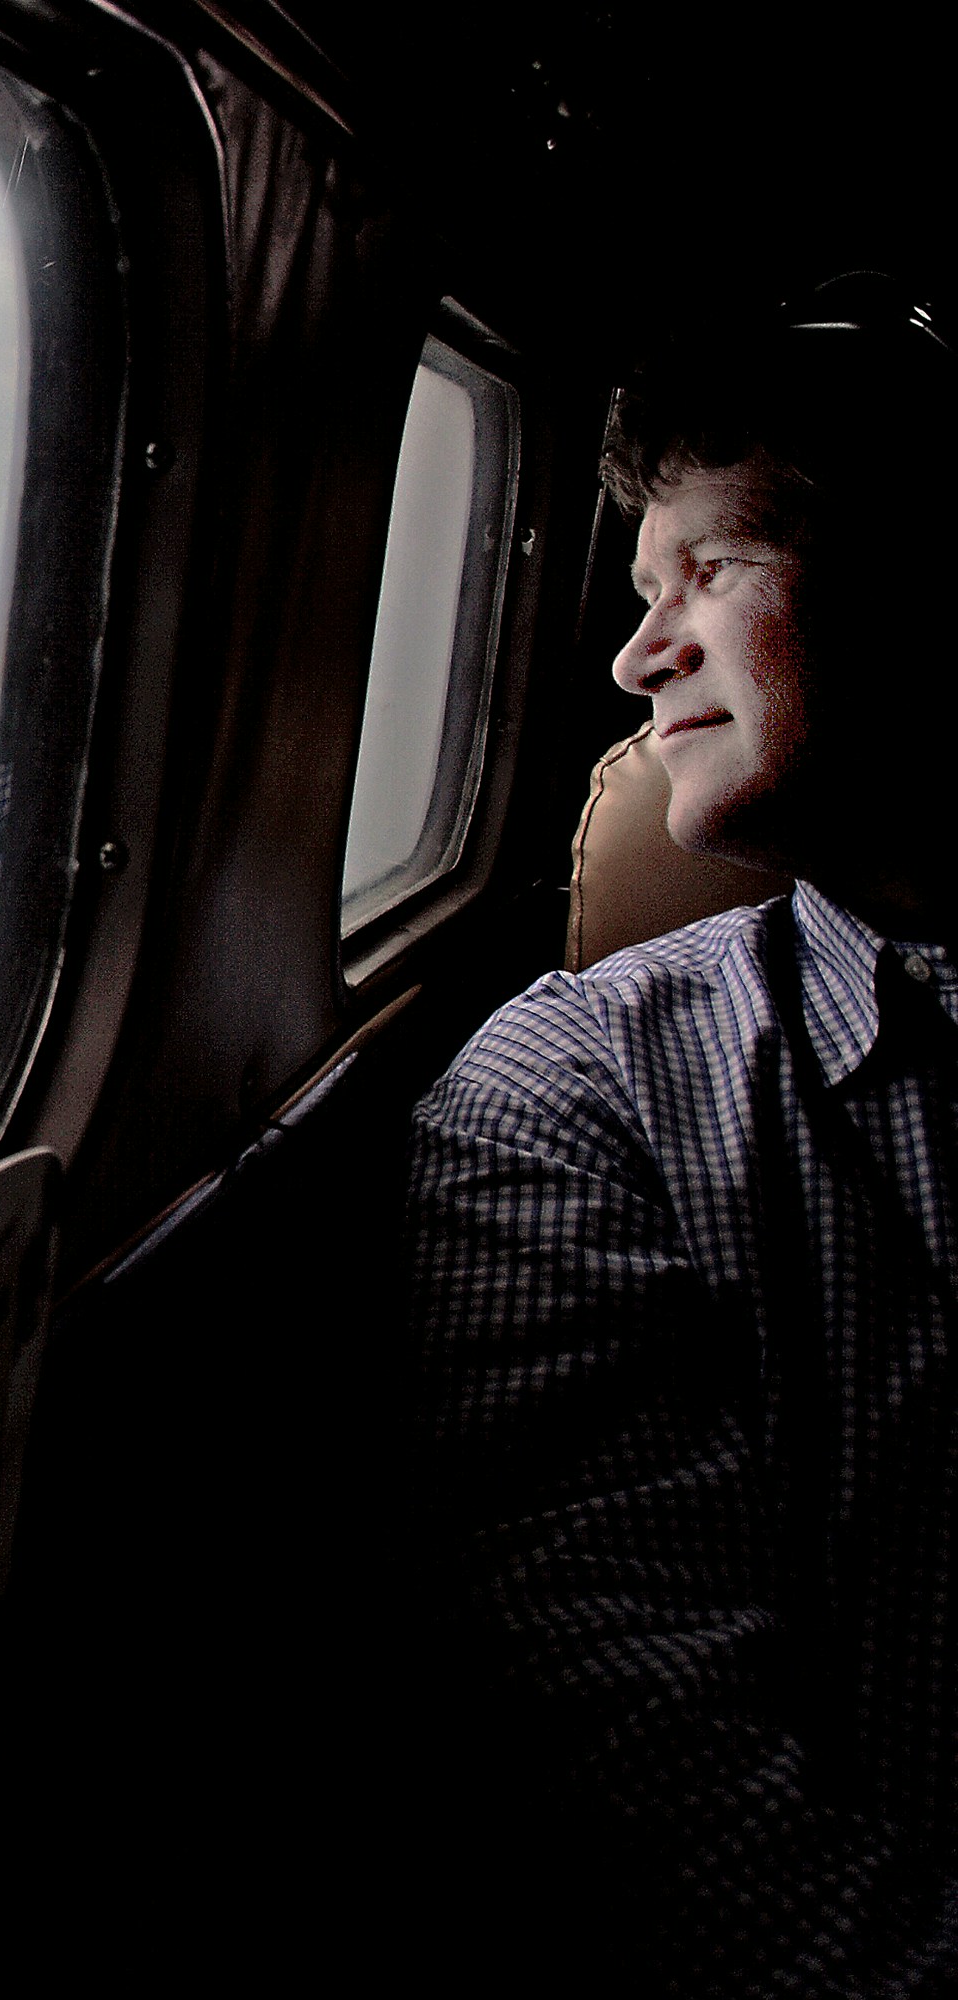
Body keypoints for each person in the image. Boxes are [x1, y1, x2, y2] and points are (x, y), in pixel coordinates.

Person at [402, 278, 953, 1995]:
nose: (641, 658)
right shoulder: (582, 1100)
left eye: (704, 571)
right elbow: (683, 1798)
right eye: (643, 598)